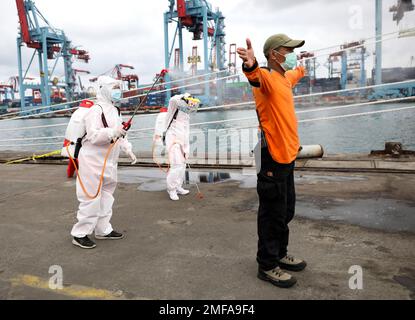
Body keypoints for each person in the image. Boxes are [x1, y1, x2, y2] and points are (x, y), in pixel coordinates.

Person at [237, 34, 307, 288]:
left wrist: (302, 67)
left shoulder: (284, 78)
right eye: (287, 51)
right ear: (273, 54)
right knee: (272, 214)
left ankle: (279, 253)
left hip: (287, 156)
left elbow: (294, 75)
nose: (290, 55)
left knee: (286, 211)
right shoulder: (265, 78)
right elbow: (253, 75)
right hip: (271, 157)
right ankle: (267, 265)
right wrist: (250, 63)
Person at [71, 76, 137, 249]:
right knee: (91, 197)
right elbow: (93, 136)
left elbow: (120, 134)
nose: (118, 90)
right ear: (103, 88)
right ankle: (80, 233)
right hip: (92, 161)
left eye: (118, 87)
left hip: (109, 161)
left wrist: (127, 148)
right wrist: (113, 131)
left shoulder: (115, 110)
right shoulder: (95, 110)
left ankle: (103, 229)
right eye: (114, 87)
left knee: (107, 196)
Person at [163, 93, 200, 201]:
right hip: (173, 140)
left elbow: (186, 131)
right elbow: (172, 100)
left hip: (183, 141)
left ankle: (178, 186)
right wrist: (183, 97)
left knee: (182, 165)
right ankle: (171, 189)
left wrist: (186, 147)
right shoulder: (174, 107)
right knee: (176, 165)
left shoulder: (186, 115)